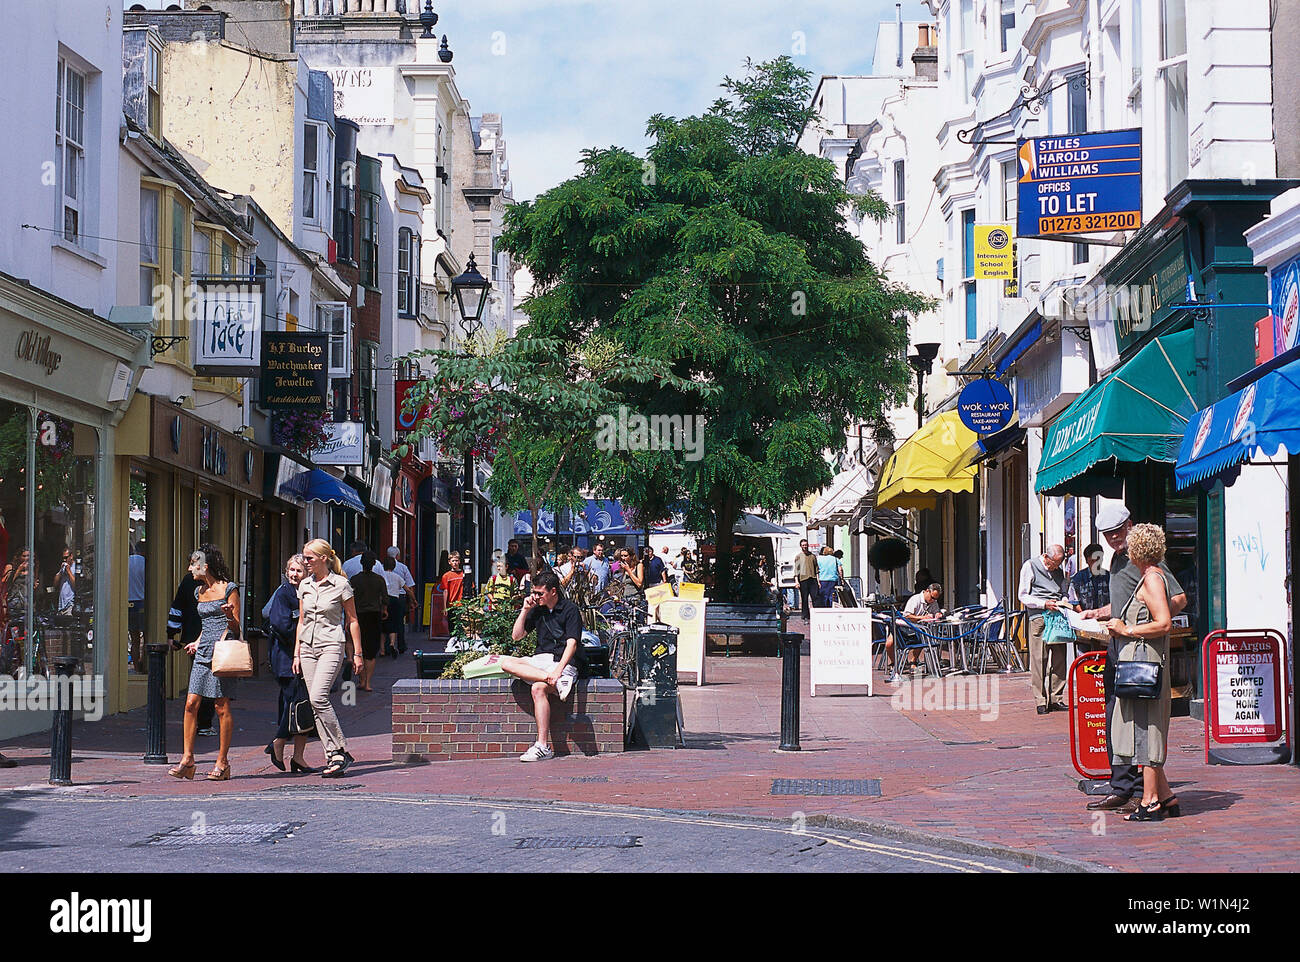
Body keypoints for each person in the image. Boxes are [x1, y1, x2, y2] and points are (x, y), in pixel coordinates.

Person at [1081, 504, 1187, 814]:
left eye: (1117, 531)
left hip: (1139, 651)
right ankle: (1157, 794)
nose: (1113, 538)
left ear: (1130, 525)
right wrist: (1100, 613)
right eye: (1107, 534)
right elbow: (1128, 602)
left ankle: (1139, 792)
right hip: (1121, 646)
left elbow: (1175, 601)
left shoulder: (1148, 564)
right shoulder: (1117, 560)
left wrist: (1136, 629)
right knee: (1121, 717)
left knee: (1140, 722)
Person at [1106, 523, 1180, 821]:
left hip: (1144, 663)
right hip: (1144, 658)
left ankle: (1149, 802)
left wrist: (1127, 629)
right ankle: (1166, 797)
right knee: (1144, 726)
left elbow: (1163, 623)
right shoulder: (1150, 577)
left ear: (1137, 550)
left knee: (1146, 729)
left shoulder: (1151, 578)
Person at [167, 544, 240, 781]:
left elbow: (236, 628)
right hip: (203, 652)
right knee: (190, 704)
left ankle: (223, 762)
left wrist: (229, 615)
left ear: (205, 566)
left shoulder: (229, 589)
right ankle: (187, 760)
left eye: (192, 564)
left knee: (221, 706)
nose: (190, 569)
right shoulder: (198, 591)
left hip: (222, 652)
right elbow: (206, 625)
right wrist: (197, 641)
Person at [296, 538, 364, 778]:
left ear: (323, 558)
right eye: (305, 557)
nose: (305, 562)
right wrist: (297, 651)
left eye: (309, 558)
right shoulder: (304, 585)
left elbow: (353, 620)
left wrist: (357, 653)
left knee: (318, 697)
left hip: (331, 645)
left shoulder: (341, 585)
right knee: (316, 704)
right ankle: (333, 756)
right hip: (307, 648)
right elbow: (301, 620)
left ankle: (341, 748)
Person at [498, 570, 582, 762]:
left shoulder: (570, 610)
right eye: (533, 592)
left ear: (553, 591)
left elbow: (572, 644)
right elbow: (516, 636)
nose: (535, 597)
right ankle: (553, 681)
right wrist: (525, 610)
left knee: (537, 689)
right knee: (506, 663)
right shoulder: (537, 609)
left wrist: (558, 670)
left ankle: (542, 746)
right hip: (542, 663)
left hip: (562, 662)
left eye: (539, 593)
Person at [263, 554, 313, 774]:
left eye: (299, 571)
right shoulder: (284, 593)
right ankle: (278, 742)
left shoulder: (309, 592)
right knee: (295, 701)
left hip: (306, 655)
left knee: (303, 705)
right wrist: (302, 642)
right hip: (286, 657)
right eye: (291, 570)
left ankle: (299, 757)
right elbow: (282, 626)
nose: (294, 574)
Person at [1020, 544, 1069, 715]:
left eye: (1058, 564)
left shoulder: (1059, 570)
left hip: (1057, 616)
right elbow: (1023, 595)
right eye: (1053, 564)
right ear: (1046, 556)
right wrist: (1043, 604)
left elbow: (1064, 591)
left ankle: (1056, 697)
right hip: (1039, 616)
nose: (1055, 568)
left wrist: (1063, 600)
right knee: (1039, 659)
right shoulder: (1030, 565)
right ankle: (1040, 700)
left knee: (1059, 659)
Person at [167, 567, 216, 736]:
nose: (189, 568)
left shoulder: (220, 584)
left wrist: (172, 633)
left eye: (193, 564)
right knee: (206, 681)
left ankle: (202, 722)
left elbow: (177, 606)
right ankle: (203, 722)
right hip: (197, 641)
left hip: (209, 640)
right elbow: (178, 606)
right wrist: (171, 634)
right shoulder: (191, 581)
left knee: (206, 681)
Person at [884, 582, 944, 678]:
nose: (933, 600)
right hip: (903, 625)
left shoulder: (933, 602)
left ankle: (913, 661)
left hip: (918, 629)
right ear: (927, 591)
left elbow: (937, 611)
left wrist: (938, 614)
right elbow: (907, 616)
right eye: (932, 597)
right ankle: (893, 663)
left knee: (922, 637)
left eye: (936, 599)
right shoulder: (915, 599)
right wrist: (922, 617)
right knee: (889, 643)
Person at [349, 551, 387, 692]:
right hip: (374, 615)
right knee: (371, 651)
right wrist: (384, 609)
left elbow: (349, 597)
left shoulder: (355, 579)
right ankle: (368, 682)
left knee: (360, 648)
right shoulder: (379, 580)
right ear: (374, 563)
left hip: (358, 615)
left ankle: (362, 679)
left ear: (361, 563)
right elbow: (385, 598)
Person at [1068, 542, 1110, 644]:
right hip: (1084, 624)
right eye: (1092, 561)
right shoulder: (1078, 578)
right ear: (1087, 560)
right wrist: (1086, 618)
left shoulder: (1109, 577)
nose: (1096, 564)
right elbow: (1074, 602)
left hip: (1105, 624)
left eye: (1098, 560)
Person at [385, 546, 417, 653]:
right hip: (400, 598)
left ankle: (385, 646)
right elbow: (410, 585)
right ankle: (401, 645)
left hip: (385, 598)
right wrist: (413, 601)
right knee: (399, 623)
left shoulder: (381, 567)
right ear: (397, 556)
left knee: (385, 622)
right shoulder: (403, 567)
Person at [379, 555, 406, 658]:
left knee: (382, 627)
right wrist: (413, 600)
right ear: (394, 566)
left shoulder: (381, 577)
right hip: (395, 601)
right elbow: (406, 588)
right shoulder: (397, 577)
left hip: (383, 601)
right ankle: (392, 644)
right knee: (393, 625)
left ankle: (382, 650)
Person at [127, 542, 147, 673]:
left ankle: (136, 668)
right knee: (147, 637)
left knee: (134, 639)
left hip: (128, 603)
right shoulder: (145, 562)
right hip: (142, 602)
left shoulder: (126, 562)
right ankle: (144, 666)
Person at [794, 539, 819, 618]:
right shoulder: (799, 556)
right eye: (803, 545)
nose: (804, 546)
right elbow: (796, 570)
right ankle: (805, 615)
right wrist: (796, 581)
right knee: (804, 598)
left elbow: (816, 569)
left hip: (813, 578)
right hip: (803, 579)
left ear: (808, 545)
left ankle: (816, 614)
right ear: (801, 546)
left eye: (806, 545)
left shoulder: (812, 556)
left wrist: (818, 581)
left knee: (815, 597)